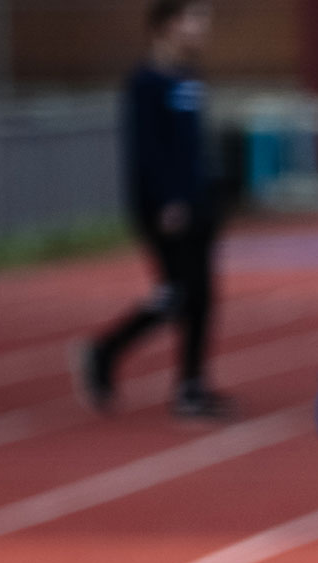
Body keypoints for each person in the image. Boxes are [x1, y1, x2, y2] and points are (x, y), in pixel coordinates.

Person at [79, 0, 230, 420]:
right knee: (178, 294)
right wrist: (166, 200)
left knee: (200, 297)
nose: (202, 29)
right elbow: (147, 151)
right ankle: (106, 348)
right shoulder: (145, 82)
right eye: (195, 19)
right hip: (167, 208)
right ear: (167, 26)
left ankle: (191, 384)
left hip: (200, 204)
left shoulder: (190, 77)